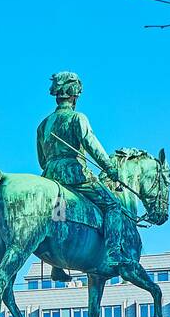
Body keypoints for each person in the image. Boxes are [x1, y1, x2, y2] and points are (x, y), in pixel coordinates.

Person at [37, 71, 129, 268]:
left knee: (58, 214)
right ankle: (113, 253)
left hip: (50, 176)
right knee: (113, 206)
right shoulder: (78, 118)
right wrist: (110, 168)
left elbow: (42, 160)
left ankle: (57, 266)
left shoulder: (43, 124)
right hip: (75, 174)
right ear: (73, 93)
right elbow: (91, 145)